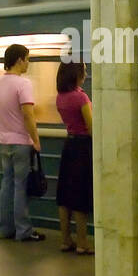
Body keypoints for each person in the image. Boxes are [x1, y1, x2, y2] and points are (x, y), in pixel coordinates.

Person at [0, 43, 44, 242]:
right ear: (19, 60)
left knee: (6, 185)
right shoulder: (23, 84)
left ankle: (5, 229)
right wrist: (36, 139)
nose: (28, 64)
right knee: (20, 187)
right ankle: (23, 230)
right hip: (21, 143)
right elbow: (28, 115)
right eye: (27, 59)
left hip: (4, 142)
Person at [55, 61, 93, 254]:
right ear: (76, 75)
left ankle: (65, 240)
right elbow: (91, 126)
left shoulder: (60, 98)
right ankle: (83, 242)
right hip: (82, 147)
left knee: (65, 195)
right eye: (84, 72)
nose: (85, 75)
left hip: (68, 145)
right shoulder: (81, 97)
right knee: (80, 195)